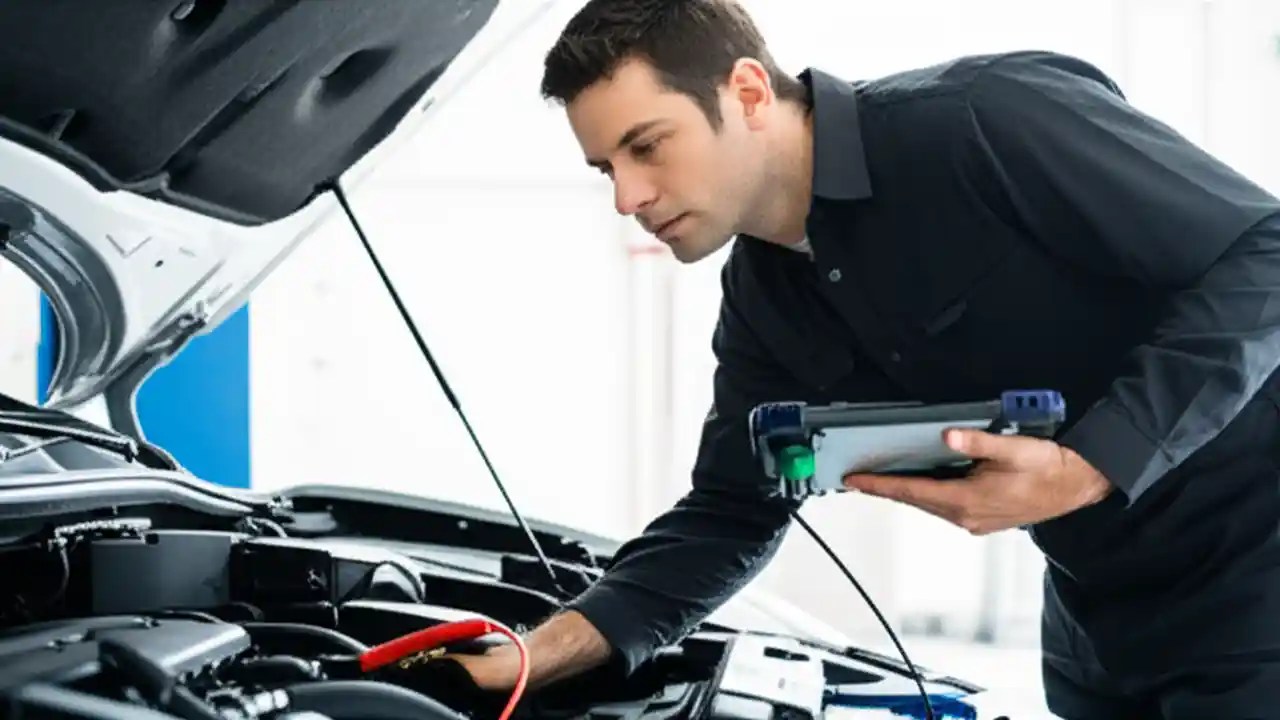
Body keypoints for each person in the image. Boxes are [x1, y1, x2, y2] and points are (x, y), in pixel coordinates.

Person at [450, 1, 1280, 716]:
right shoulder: (763, 297)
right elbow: (729, 512)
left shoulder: (984, 118)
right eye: (606, 170)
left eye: (647, 146)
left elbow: (1267, 252)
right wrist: (535, 652)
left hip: (1257, 569)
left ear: (744, 92)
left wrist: (1094, 465)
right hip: (1096, 620)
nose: (627, 198)